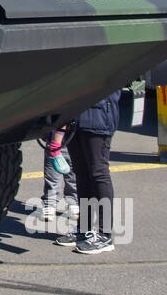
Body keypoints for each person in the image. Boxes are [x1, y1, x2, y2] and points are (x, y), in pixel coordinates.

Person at [55, 89, 121, 254]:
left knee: (98, 173)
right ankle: (84, 229)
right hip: (76, 118)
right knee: (81, 173)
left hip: (98, 115)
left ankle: (105, 235)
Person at [39, 127, 78, 224]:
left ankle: (73, 202)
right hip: (54, 134)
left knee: (74, 173)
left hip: (72, 134)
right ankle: (50, 204)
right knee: (51, 174)